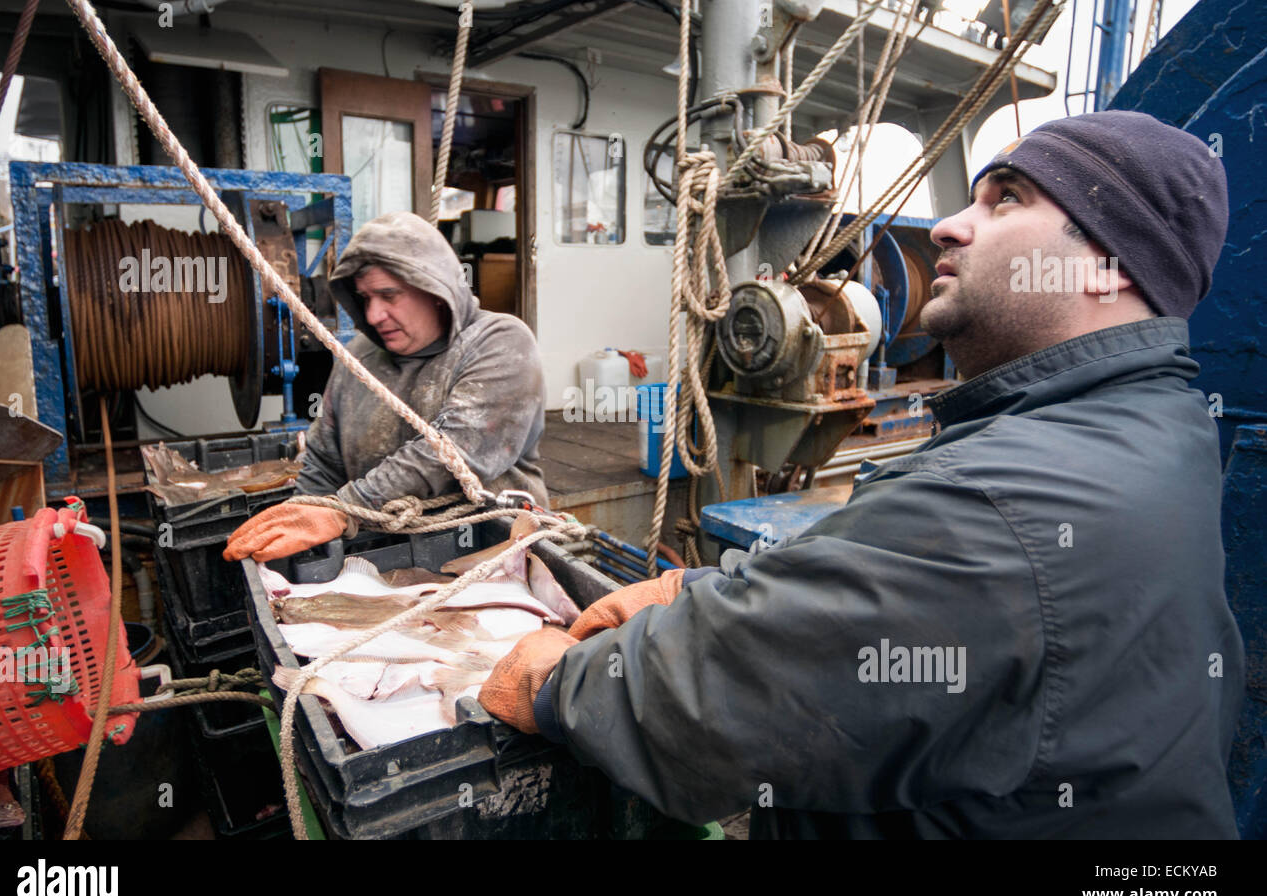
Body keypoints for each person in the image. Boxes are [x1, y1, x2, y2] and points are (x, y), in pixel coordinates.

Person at [478, 110, 1247, 839]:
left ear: (1111, 266)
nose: (949, 223)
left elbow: (715, 700)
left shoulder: (1007, 502)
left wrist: (562, 682)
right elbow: (891, 595)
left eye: (1007, 199)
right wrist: (702, 589)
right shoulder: (1157, 422)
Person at [224, 211, 548, 562]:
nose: (374, 314)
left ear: (435, 290)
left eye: (389, 295)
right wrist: (300, 522)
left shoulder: (502, 342)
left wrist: (344, 510)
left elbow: (453, 453)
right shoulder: (361, 355)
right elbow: (323, 458)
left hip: (495, 553)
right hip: (382, 554)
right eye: (365, 298)